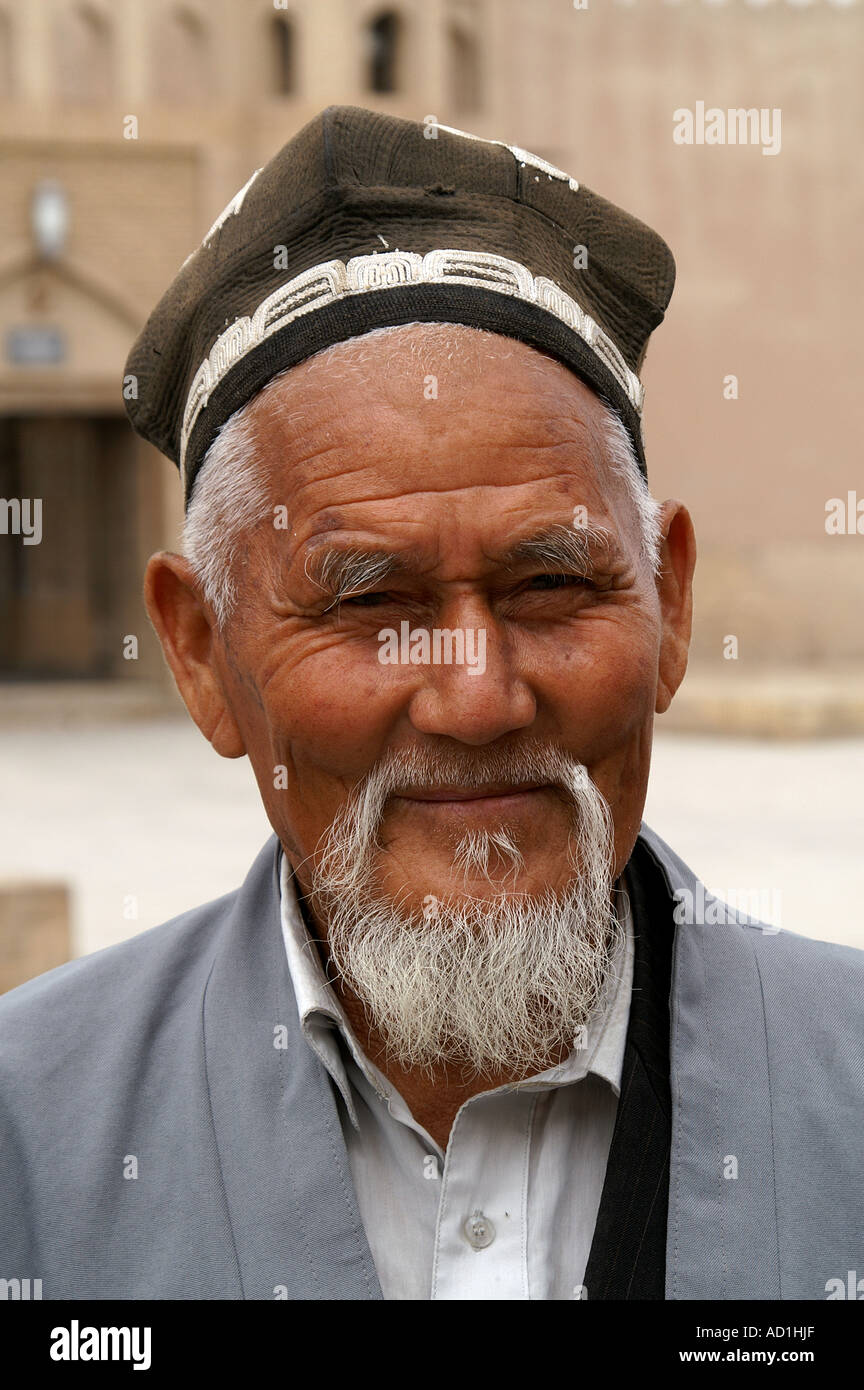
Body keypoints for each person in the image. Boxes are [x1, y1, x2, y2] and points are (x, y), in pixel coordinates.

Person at [1, 107, 860, 1302]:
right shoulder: (28, 1140)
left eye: (551, 583)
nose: (477, 695)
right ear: (201, 654)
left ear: (669, 605)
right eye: (367, 601)